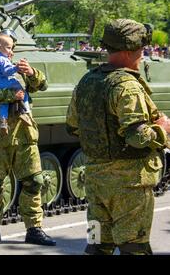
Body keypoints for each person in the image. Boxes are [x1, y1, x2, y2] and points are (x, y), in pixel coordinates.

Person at [66, 19, 170, 255]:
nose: (143, 54)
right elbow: (137, 137)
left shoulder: (87, 81)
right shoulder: (127, 86)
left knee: (96, 244)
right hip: (129, 186)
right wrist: (163, 128)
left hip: (94, 182)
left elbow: (72, 126)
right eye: (141, 49)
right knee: (134, 247)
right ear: (131, 50)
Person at [0, 31, 56, 246]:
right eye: (9, 48)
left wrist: (32, 73)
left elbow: (42, 85)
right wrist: (11, 95)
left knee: (34, 181)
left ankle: (34, 229)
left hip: (24, 134)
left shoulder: (19, 70)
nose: (12, 52)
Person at [0, 34, 28, 135]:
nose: (11, 51)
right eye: (9, 48)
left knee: (3, 104)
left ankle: (3, 121)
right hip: (6, 81)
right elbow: (6, 71)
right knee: (22, 91)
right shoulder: (2, 59)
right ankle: (25, 112)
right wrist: (16, 67)